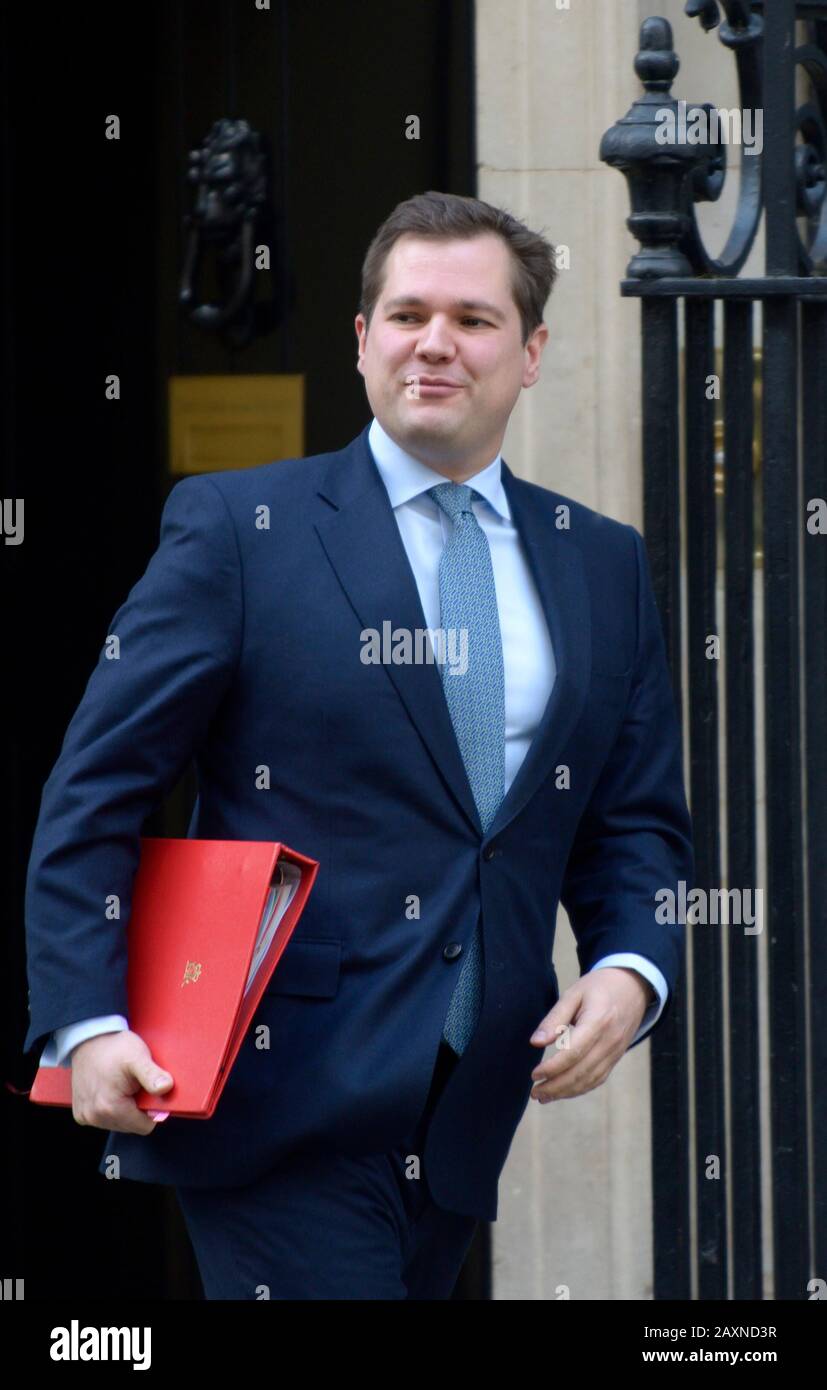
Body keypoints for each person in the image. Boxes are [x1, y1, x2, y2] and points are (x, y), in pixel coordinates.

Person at [23, 190, 694, 1300]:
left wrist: (631, 969)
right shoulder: (238, 531)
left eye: (473, 320)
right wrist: (86, 1020)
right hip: (275, 1101)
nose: (434, 342)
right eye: (405, 314)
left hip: (469, 1107)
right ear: (360, 340)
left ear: (528, 353)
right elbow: (94, 791)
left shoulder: (602, 563)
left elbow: (632, 821)